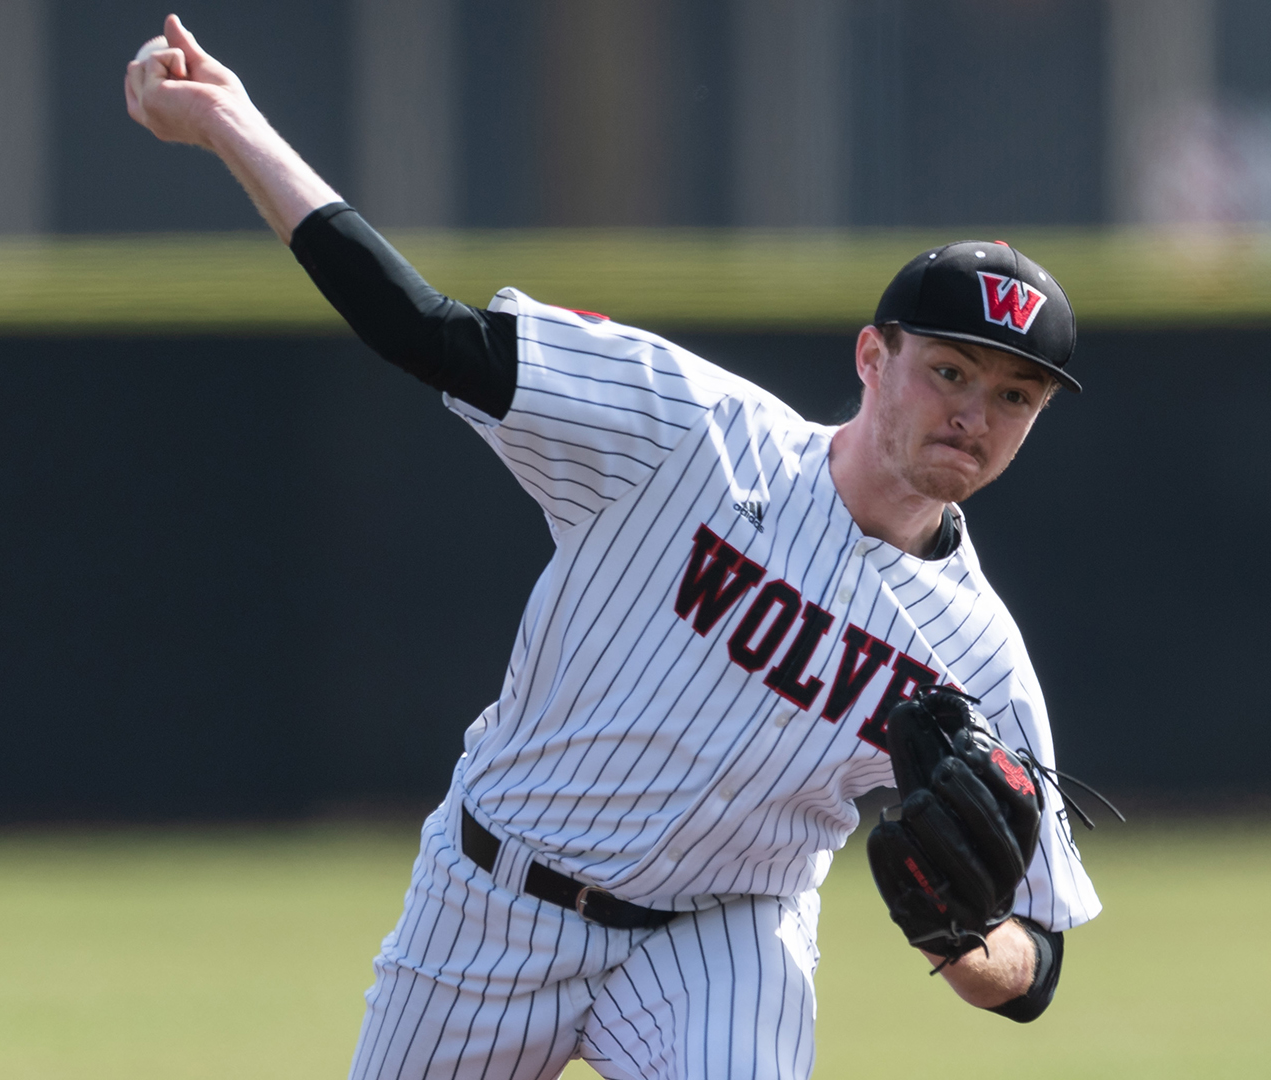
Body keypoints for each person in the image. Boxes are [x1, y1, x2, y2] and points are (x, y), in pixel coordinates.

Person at [125, 15, 1100, 1079]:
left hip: (722, 934)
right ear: (874, 355)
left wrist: (969, 948)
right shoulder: (689, 434)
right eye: (949, 371)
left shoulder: (978, 652)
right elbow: (427, 333)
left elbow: (1037, 959)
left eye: (1015, 395)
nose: (975, 413)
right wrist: (234, 124)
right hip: (495, 894)